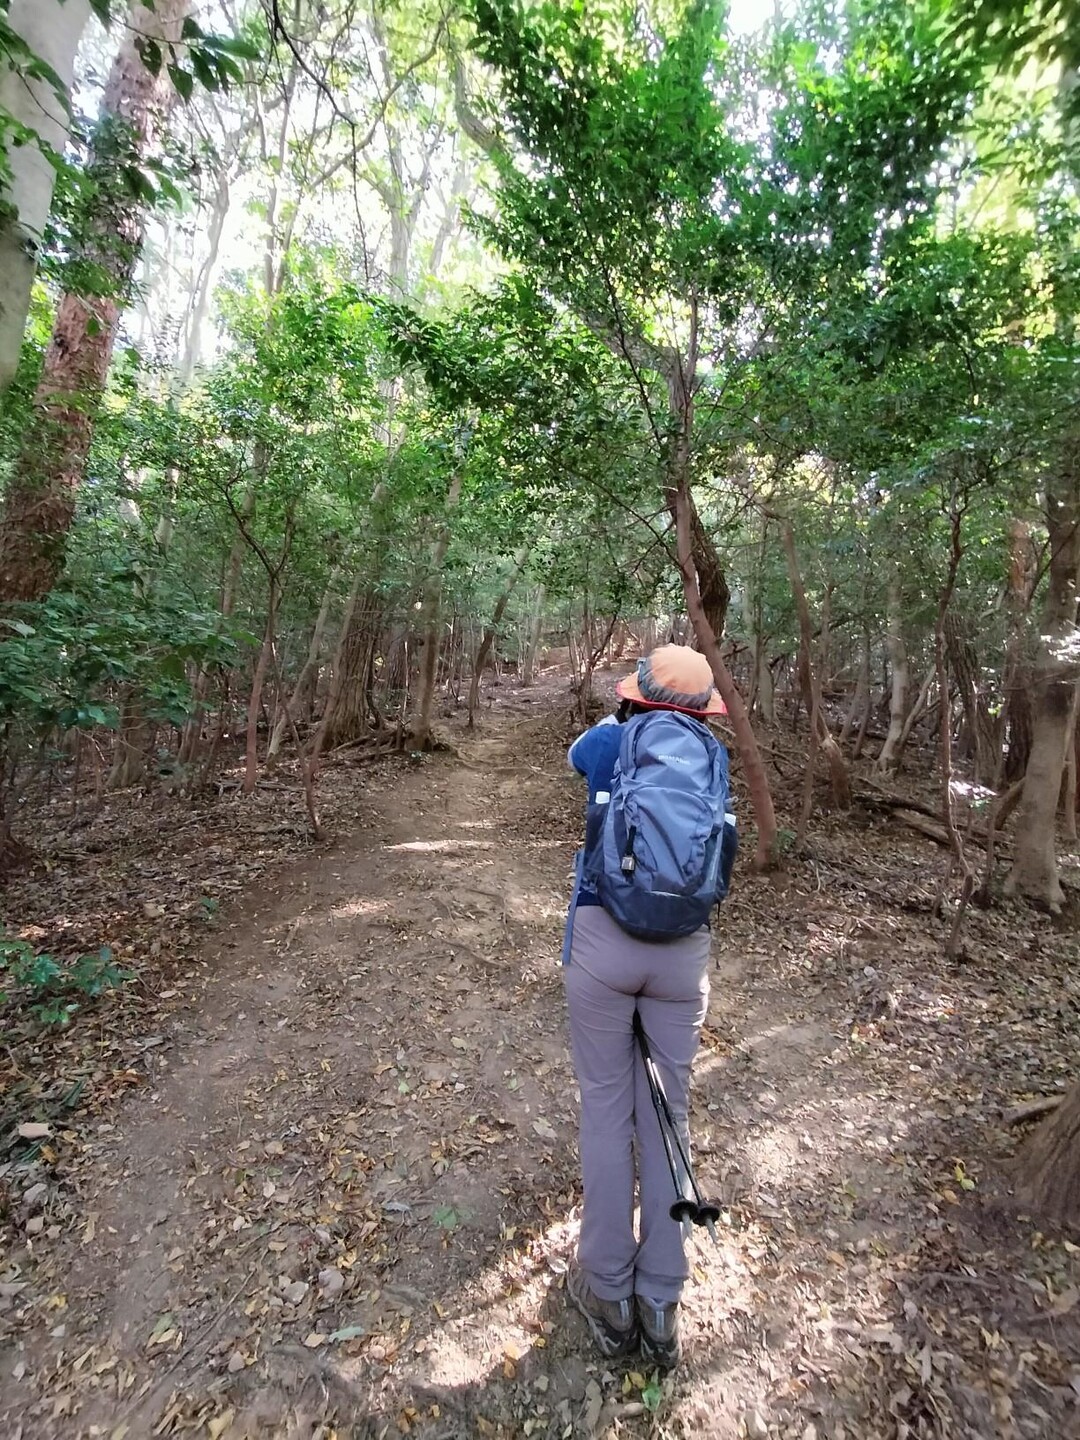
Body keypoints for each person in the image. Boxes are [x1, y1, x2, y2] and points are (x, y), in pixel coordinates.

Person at [562, 643, 729, 1369]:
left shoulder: (609, 741)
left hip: (603, 942)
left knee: (606, 1108)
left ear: (639, 695)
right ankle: (662, 1300)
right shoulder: (712, 758)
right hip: (683, 954)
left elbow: (576, 757)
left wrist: (619, 719)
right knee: (669, 1118)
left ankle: (609, 1290)